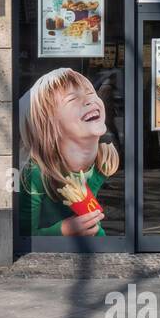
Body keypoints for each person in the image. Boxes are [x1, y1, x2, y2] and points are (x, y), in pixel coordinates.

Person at [19, 68, 119, 237]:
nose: (88, 101)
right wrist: (63, 230)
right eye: (72, 99)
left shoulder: (102, 162)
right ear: (50, 124)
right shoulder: (34, 175)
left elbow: (93, 223)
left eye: (90, 92)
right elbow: (21, 235)